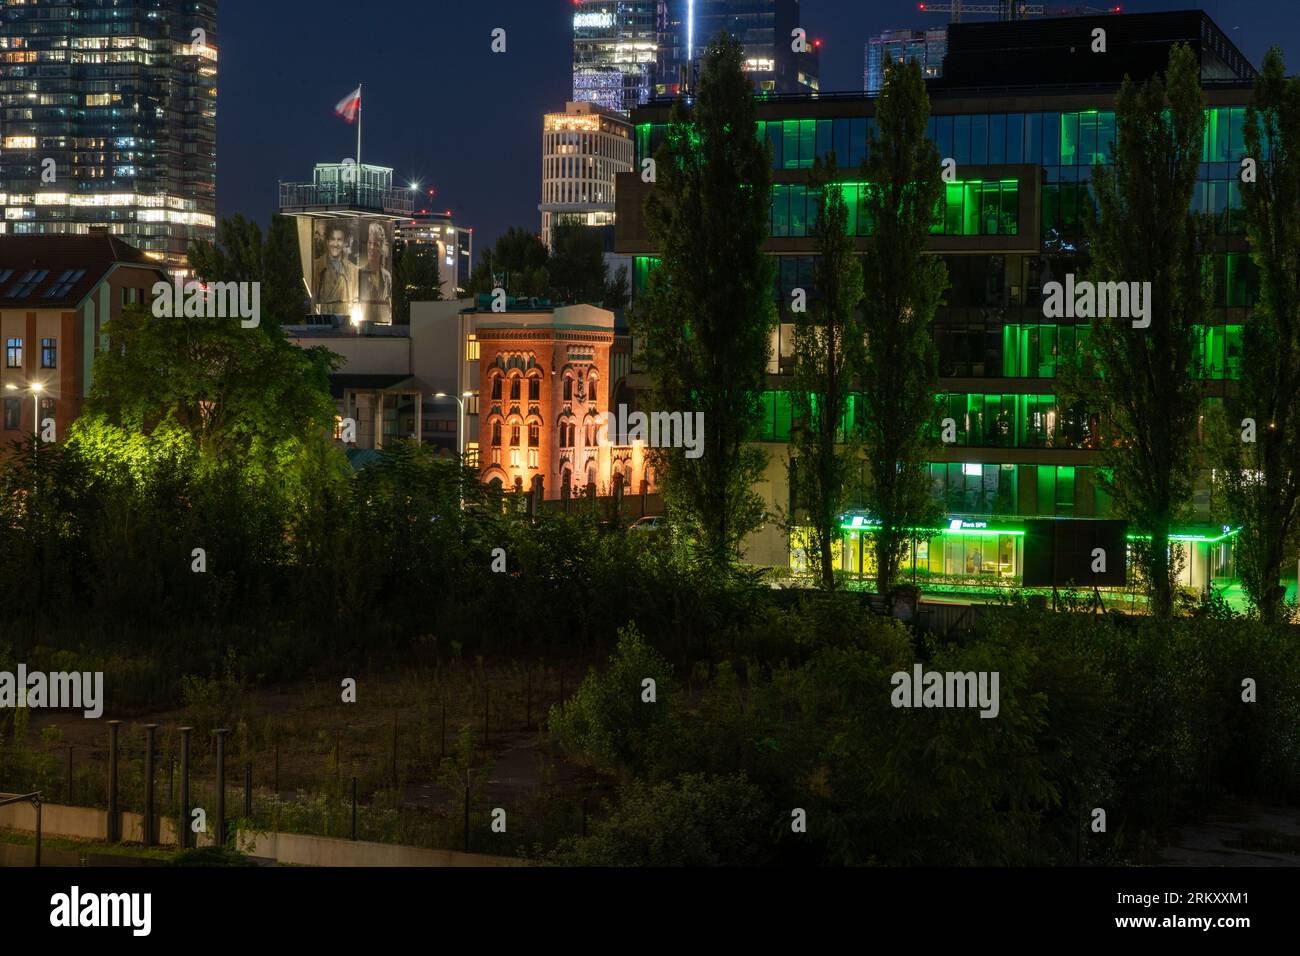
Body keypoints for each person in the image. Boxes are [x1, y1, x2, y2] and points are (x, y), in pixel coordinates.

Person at [315, 223, 355, 315]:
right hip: (324, 320)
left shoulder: (353, 270)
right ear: (327, 241)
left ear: (344, 242)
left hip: (345, 321)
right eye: (332, 239)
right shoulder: (317, 266)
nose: (336, 244)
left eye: (339, 240)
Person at [358, 222, 392, 323]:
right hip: (363, 326)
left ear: (381, 248)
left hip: (383, 324)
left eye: (376, 244)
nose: (372, 247)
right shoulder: (360, 273)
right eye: (370, 243)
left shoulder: (387, 276)